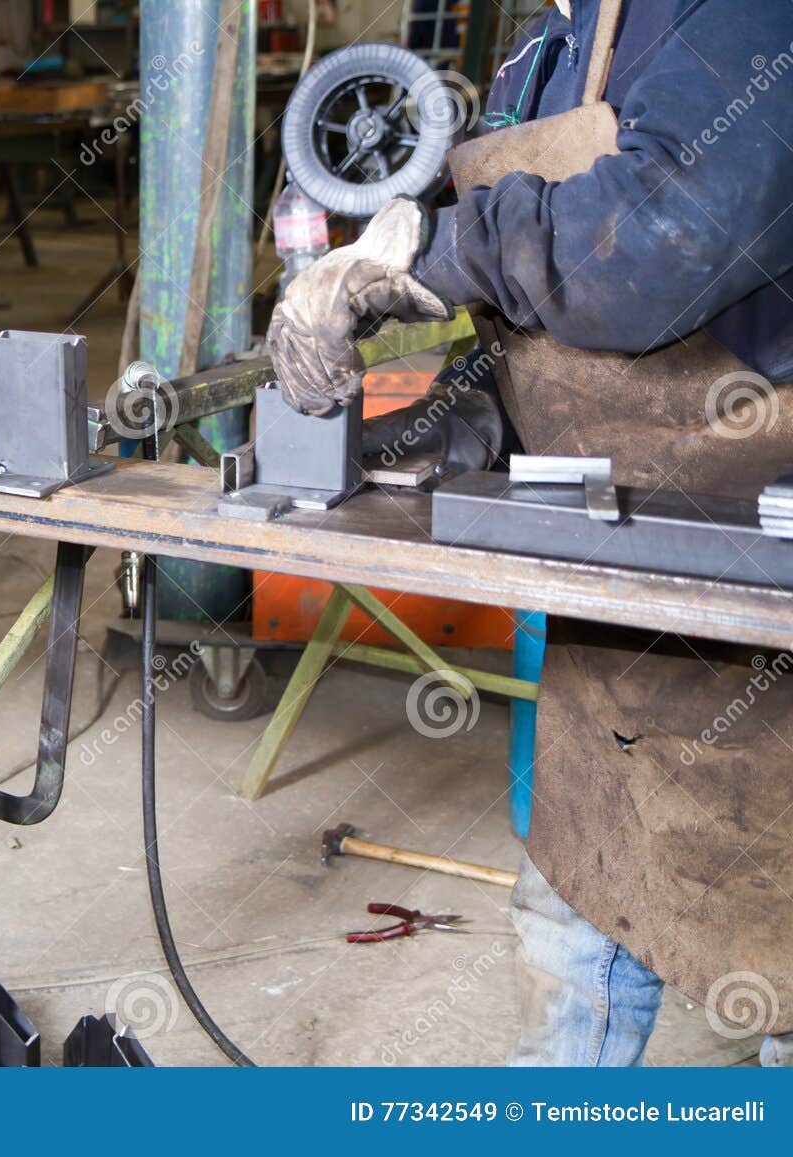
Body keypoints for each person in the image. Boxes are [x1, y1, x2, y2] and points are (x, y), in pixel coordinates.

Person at [268, 0, 793, 1066]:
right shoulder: (543, 44)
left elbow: (642, 246)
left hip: (756, 581)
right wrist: (456, 421)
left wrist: (425, 252)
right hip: (614, 593)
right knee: (584, 891)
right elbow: (543, 321)